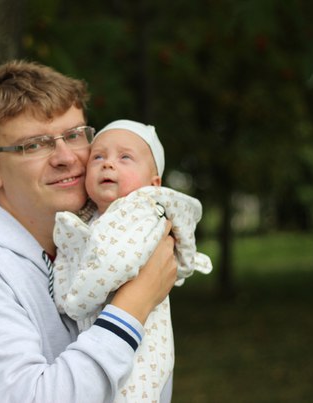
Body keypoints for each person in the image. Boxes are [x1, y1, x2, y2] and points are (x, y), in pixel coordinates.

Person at [0, 60, 178, 402]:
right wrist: (133, 305)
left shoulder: (102, 240)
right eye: (34, 145)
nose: (66, 157)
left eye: (74, 135)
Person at [52, 119, 212, 402]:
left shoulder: (140, 210)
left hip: (140, 338)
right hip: (107, 335)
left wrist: (74, 299)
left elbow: (114, 262)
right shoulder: (94, 217)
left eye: (125, 157)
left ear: (154, 183)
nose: (108, 164)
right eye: (98, 157)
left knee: (132, 390)